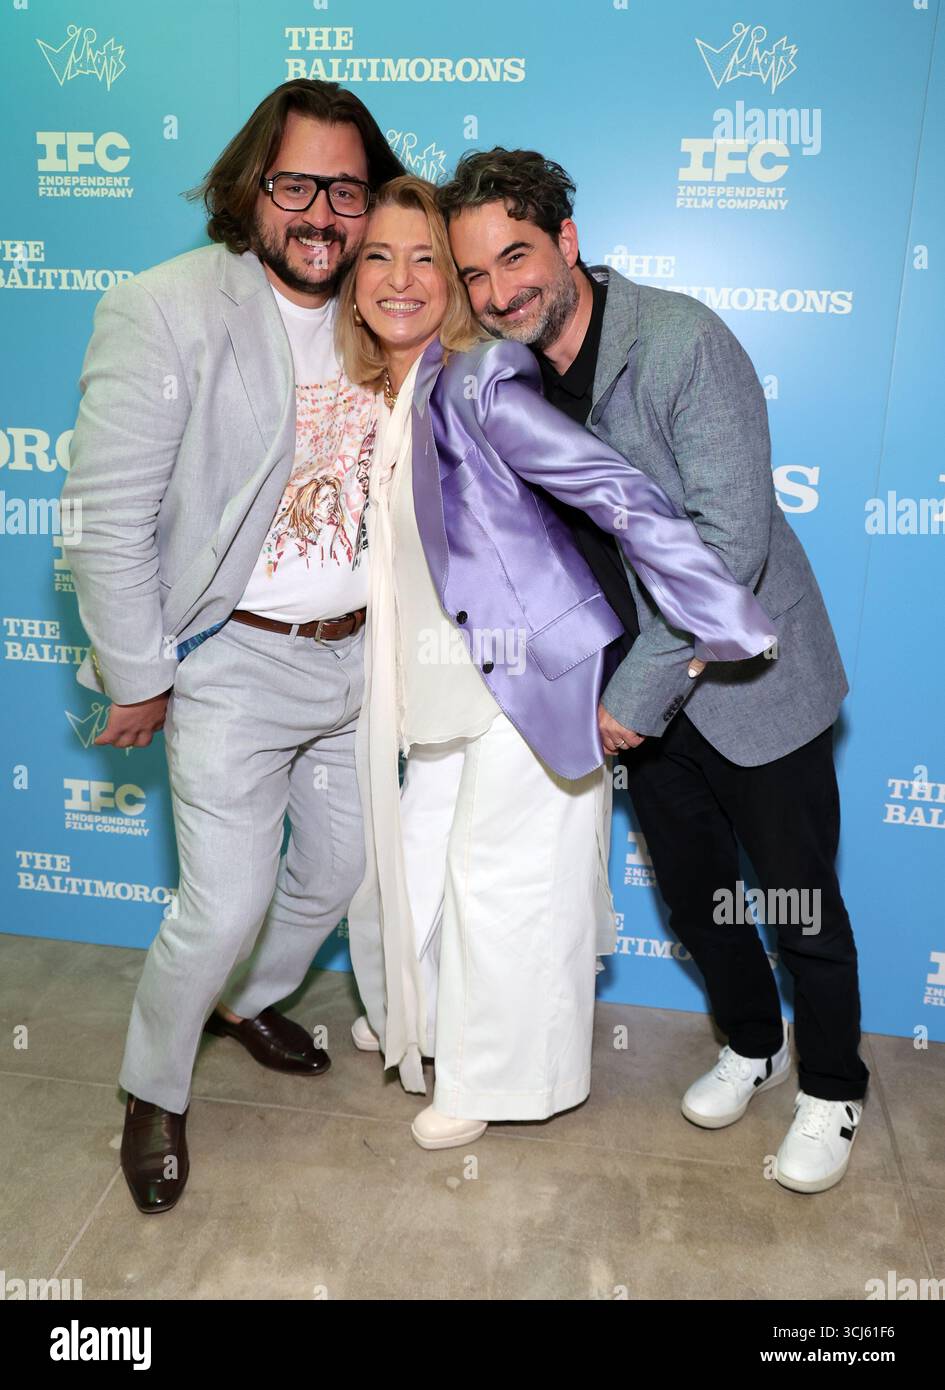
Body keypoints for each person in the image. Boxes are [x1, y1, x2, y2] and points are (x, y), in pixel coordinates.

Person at [439, 147, 869, 1193]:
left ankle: (833, 1086)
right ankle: (753, 1043)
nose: (498, 295)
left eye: (517, 258)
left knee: (796, 896)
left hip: (750, 689)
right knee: (694, 892)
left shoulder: (680, 343)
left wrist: (629, 701)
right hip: (635, 698)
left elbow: (732, 552)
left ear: (568, 242)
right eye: (477, 277)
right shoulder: (508, 379)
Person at [338, 175, 775, 1151]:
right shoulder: (389, 395)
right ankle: (421, 1015)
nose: (403, 279)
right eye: (379, 257)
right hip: (447, 680)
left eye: (428, 261)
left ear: (457, 286)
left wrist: (716, 610)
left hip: (531, 677)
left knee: (507, 887)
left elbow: (614, 491)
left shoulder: (483, 380)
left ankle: (497, 1076)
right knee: (409, 868)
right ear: (354, 280)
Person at [60, 80, 404, 1213]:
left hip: (360, 661)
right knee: (221, 899)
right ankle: (153, 1087)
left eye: (345, 190)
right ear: (251, 186)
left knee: (339, 871)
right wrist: (143, 671)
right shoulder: (164, 309)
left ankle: (247, 1003)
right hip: (232, 662)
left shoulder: (389, 303)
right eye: (295, 184)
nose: (320, 213)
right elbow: (106, 516)